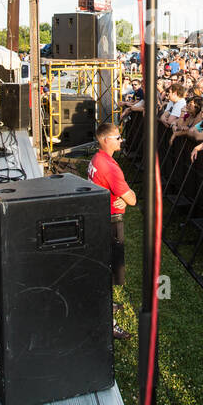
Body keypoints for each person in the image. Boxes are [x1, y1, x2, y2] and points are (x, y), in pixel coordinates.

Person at [88, 122, 134, 341]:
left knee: (105, 267)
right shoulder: (109, 166)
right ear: (106, 140)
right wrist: (127, 196)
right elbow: (131, 199)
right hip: (110, 221)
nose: (120, 140)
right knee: (109, 269)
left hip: (101, 217)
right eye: (117, 137)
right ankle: (109, 323)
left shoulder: (97, 159)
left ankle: (106, 303)